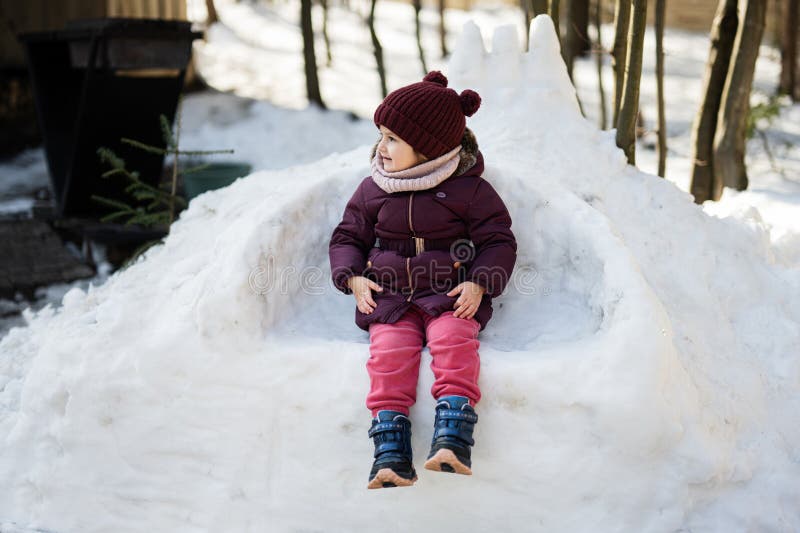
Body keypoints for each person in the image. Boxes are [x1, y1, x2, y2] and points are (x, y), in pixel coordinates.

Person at [329, 71, 517, 490]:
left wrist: (480, 282)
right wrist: (353, 277)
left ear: (429, 146)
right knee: (389, 352)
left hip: (447, 293)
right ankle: (391, 449)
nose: (382, 147)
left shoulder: (469, 190)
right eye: (381, 135)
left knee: (454, 341)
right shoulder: (373, 188)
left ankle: (453, 433)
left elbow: (497, 240)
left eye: (394, 139)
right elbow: (348, 237)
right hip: (390, 295)